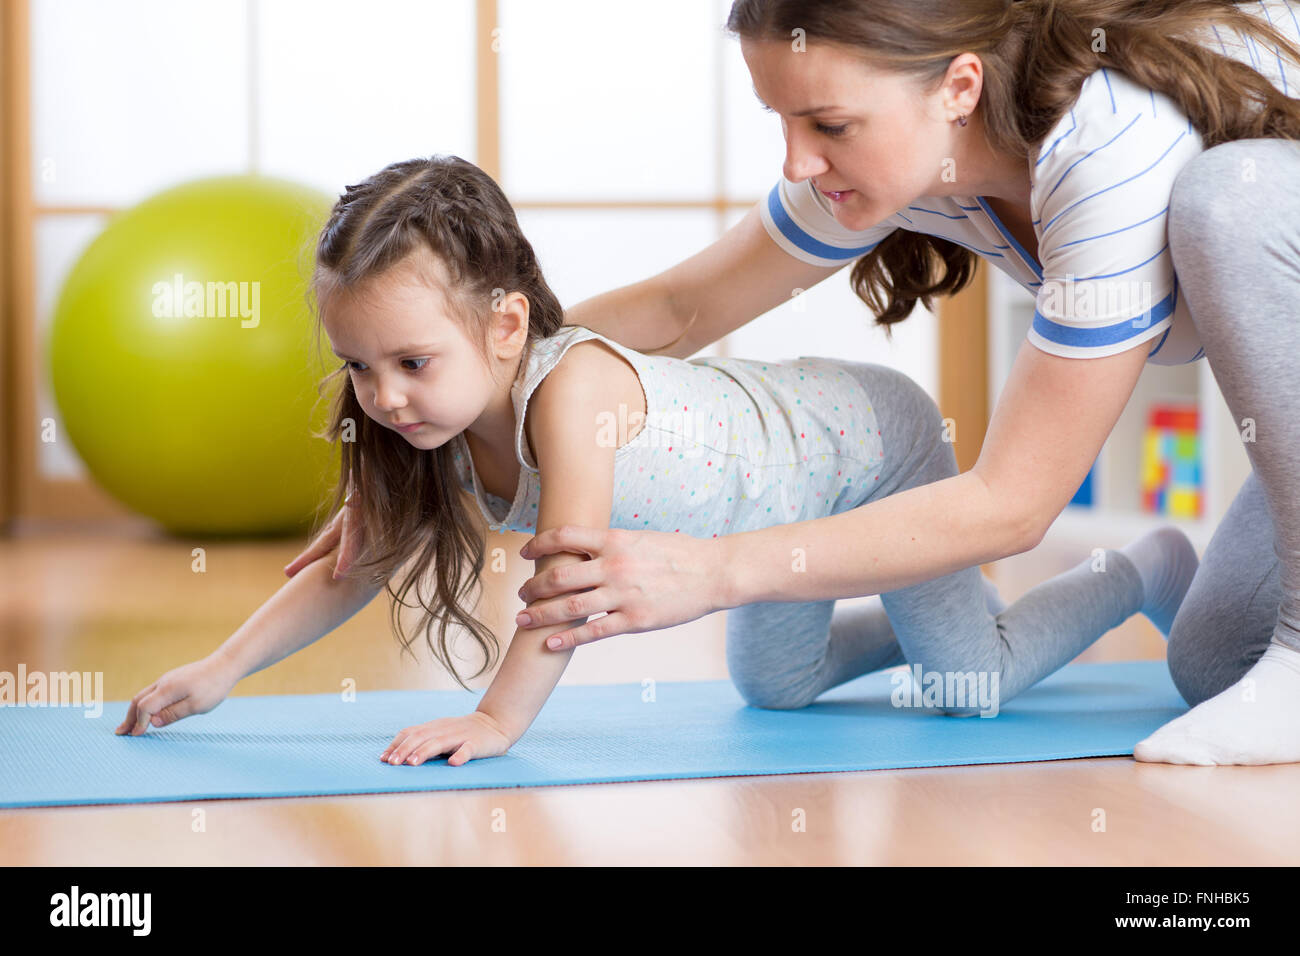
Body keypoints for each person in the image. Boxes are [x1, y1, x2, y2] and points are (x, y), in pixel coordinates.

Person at [291, 0, 1300, 766]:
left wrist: (716, 569)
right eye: (780, 119)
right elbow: (687, 307)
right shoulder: (903, 158)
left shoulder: (1110, 144)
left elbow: (1012, 501)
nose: (796, 158)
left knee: (1225, 198)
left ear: (955, 87)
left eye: (826, 123)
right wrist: (470, 400)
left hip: (1243, 209)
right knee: (1208, 667)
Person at [118, 154, 1195, 764]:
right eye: (359, 365)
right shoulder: (431, 429)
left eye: (410, 360)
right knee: (774, 687)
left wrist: (498, 718)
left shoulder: (569, 392)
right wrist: (217, 670)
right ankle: (912, 612)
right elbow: (349, 569)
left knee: (972, 682)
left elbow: (569, 579)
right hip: (770, 522)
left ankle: (1140, 568)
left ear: (503, 330)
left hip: (867, 447)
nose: (384, 395)